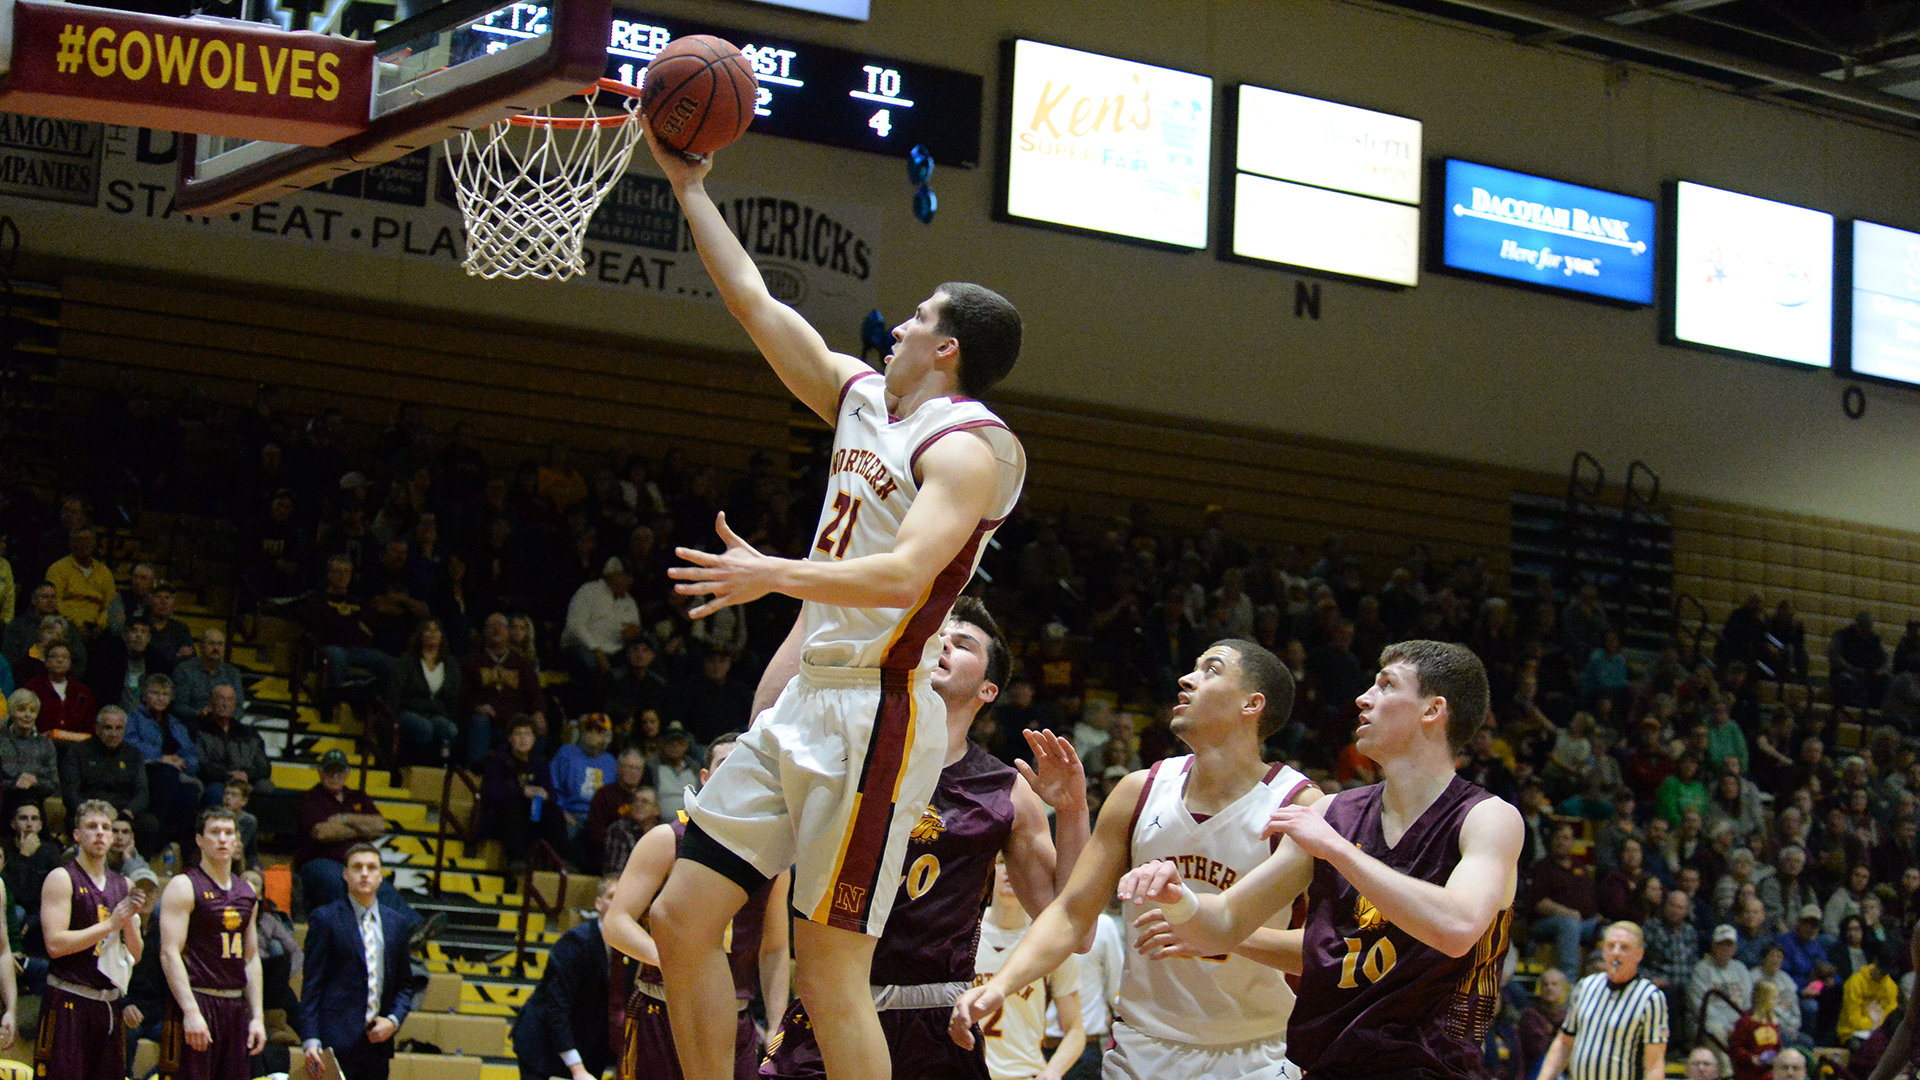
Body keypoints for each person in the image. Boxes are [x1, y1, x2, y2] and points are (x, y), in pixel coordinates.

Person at [642, 117, 1028, 1080]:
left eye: (919, 317)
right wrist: (691, 191)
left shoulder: (970, 448)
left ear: (947, 348)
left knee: (829, 974)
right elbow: (756, 304)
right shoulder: (861, 399)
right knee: (681, 918)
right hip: (810, 701)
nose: (899, 326)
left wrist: (773, 573)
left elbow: (904, 575)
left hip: (878, 714)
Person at [1110, 640, 1521, 1080]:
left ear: (1432, 710)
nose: (1363, 698)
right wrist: (1180, 899)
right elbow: (1226, 921)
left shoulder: (1487, 818)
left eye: (1386, 686)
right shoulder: (1333, 814)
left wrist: (1337, 850)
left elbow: (1457, 928)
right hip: (1328, 1065)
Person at [760, 598, 1089, 1080]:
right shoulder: (849, 746)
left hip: (932, 1021)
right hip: (829, 1005)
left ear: (988, 689)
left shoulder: (1006, 792)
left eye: (964, 644)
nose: (944, 644)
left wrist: (1074, 812)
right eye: (939, 636)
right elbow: (767, 722)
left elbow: (1073, 928)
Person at [954, 640, 1315, 1080]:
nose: (1187, 678)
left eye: (1212, 669)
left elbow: (1328, 950)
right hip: (1143, 1047)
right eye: (1194, 667)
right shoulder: (1138, 791)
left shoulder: (1300, 806)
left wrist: (1214, 932)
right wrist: (1001, 985)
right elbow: (1071, 912)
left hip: (1255, 1052)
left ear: (1252, 704)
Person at [603, 732, 792, 1080]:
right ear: (705, 777)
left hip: (735, 1015)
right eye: (725, 764)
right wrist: (676, 961)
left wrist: (777, 1023)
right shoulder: (667, 839)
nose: (736, 772)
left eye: (746, 765)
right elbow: (616, 923)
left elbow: (775, 949)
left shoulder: (775, 857)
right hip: (660, 1008)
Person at [39, 798, 146, 1080]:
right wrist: (110, 924)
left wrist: (129, 923)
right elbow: (55, 945)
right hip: (69, 1000)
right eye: (92, 827)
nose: (100, 833)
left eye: (105, 828)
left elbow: (135, 955)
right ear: (77, 835)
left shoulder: (124, 885)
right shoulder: (62, 878)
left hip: (109, 1005)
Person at [156, 807, 266, 1079]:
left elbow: (251, 957)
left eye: (229, 833)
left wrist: (257, 1017)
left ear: (237, 841)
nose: (222, 839)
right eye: (215, 832)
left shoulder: (246, 892)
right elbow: (169, 953)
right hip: (198, 999)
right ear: (199, 840)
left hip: (235, 1007)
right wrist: (191, 1011)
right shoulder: (184, 886)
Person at [298, 843, 421, 1080]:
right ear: (345, 874)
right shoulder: (325, 919)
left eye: (371, 867)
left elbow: (405, 985)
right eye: (357, 867)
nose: (364, 873)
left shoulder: (396, 923)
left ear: (380, 875)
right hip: (334, 1043)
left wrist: (393, 1021)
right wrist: (310, 1039)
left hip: (377, 1045)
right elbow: (312, 985)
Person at [975, 856, 1083, 1080]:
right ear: (989, 872)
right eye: (1002, 862)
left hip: (1025, 1074)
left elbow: (1075, 1029)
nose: (1008, 871)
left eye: (1018, 863)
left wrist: (1053, 1071)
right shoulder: (962, 936)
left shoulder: (1050, 943)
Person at [511, 877, 619, 1080]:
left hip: (588, 1044)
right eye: (612, 896)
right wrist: (577, 1069)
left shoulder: (631, 948)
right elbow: (557, 1005)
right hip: (543, 1044)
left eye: (625, 897)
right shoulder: (577, 942)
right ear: (598, 904)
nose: (619, 902)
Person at [1532, 922, 1667, 1080]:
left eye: (1624, 947)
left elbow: (1654, 1064)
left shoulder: (1650, 997)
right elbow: (1564, 1043)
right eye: (1611, 946)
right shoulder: (1586, 986)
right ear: (1603, 951)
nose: (1616, 953)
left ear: (1639, 954)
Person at [295, 751, 391, 910]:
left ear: (347, 773)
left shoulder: (358, 796)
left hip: (357, 863)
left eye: (339, 772)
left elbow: (379, 826)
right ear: (320, 772)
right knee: (335, 880)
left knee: (385, 888)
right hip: (321, 861)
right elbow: (323, 833)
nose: (335, 776)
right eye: (330, 771)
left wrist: (345, 819)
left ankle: (414, 923)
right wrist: (362, 829)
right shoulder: (311, 798)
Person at [61, 705, 156, 852]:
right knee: (73, 821)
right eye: (108, 728)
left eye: (118, 728)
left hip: (122, 812)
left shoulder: (133, 754)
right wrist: (89, 812)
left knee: (149, 823)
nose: (113, 734)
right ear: (97, 729)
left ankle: (137, 863)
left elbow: (142, 792)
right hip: (90, 810)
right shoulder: (78, 751)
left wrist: (128, 812)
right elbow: (70, 791)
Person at [459, 611, 547, 767]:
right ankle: (475, 771)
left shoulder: (521, 663)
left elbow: (534, 694)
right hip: (485, 722)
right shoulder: (471, 662)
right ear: (484, 632)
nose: (497, 630)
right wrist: (477, 707)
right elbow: (462, 696)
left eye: (501, 626)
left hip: (514, 723)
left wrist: (538, 713)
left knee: (536, 727)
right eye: (492, 626)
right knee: (480, 721)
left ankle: (528, 772)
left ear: (508, 632)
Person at [387, 618, 462, 763]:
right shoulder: (408, 660)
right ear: (421, 634)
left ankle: (439, 766)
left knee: (450, 730)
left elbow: (452, 698)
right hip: (409, 711)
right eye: (428, 630)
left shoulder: (450, 664)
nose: (432, 634)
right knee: (424, 728)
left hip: (435, 714)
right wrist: (391, 717)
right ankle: (413, 764)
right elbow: (395, 691)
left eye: (436, 630)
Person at [193, 684, 273, 807]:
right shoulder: (199, 731)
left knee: (266, 787)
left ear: (235, 705)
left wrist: (246, 775)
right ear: (211, 703)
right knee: (217, 791)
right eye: (221, 699)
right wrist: (229, 775)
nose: (225, 704)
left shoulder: (248, 733)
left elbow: (264, 767)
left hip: (246, 779)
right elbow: (200, 765)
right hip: (218, 780)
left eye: (229, 700)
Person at [551, 712, 617, 843]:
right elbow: (552, 786)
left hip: (599, 819)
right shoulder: (567, 753)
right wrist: (561, 811)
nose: (593, 733)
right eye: (589, 728)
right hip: (571, 815)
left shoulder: (611, 762)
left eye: (599, 730)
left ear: (607, 737)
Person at [45, 525, 115, 639]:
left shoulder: (105, 572)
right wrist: (76, 624)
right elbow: (55, 602)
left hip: (98, 627)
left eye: (87, 540)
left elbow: (110, 604)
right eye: (79, 540)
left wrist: (101, 625)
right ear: (71, 544)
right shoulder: (57, 569)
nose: (83, 544)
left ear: (94, 544)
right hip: (67, 625)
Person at [0, 687, 57, 816]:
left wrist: (35, 781)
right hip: (5, 806)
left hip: (36, 806)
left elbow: (53, 785)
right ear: (11, 712)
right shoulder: (2, 741)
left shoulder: (46, 744)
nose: (27, 715)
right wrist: (14, 784)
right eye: (22, 710)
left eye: (32, 711)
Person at [170, 628, 245, 720]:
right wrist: (200, 714)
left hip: (224, 723)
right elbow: (179, 706)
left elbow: (239, 707)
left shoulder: (232, 673)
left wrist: (228, 720)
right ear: (201, 647)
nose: (216, 648)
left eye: (220, 644)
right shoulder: (185, 670)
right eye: (211, 643)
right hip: (194, 722)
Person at [1517, 968, 1570, 1080]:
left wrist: (1552, 1033)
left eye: (1554, 984)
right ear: (1539, 989)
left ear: (1564, 989)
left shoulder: (1568, 1017)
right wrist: (1557, 1035)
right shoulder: (1530, 1015)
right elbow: (1538, 1050)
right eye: (1545, 984)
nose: (1549, 988)